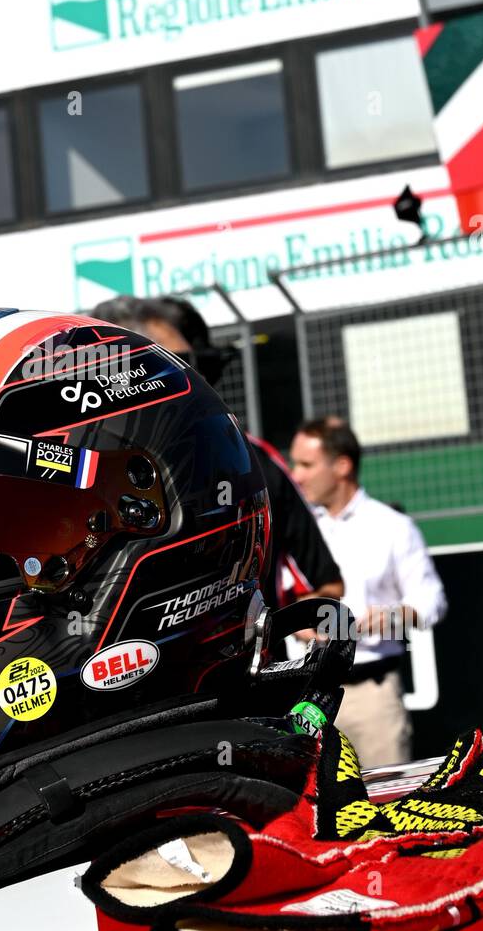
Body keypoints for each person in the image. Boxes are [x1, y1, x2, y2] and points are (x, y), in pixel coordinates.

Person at [105, 296, 345, 616]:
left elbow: (327, 584)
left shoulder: (252, 458)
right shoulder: (78, 466)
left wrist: (291, 624)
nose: (189, 379)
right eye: (173, 364)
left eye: (187, 363)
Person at [290, 417, 448, 768]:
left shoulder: (392, 527)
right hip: (305, 696)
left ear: (342, 465)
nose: (296, 476)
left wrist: (386, 619)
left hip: (372, 697)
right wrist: (295, 619)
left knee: (387, 803)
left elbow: (431, 600)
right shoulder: (299, 530)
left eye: (306, 464)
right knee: (314, 811)